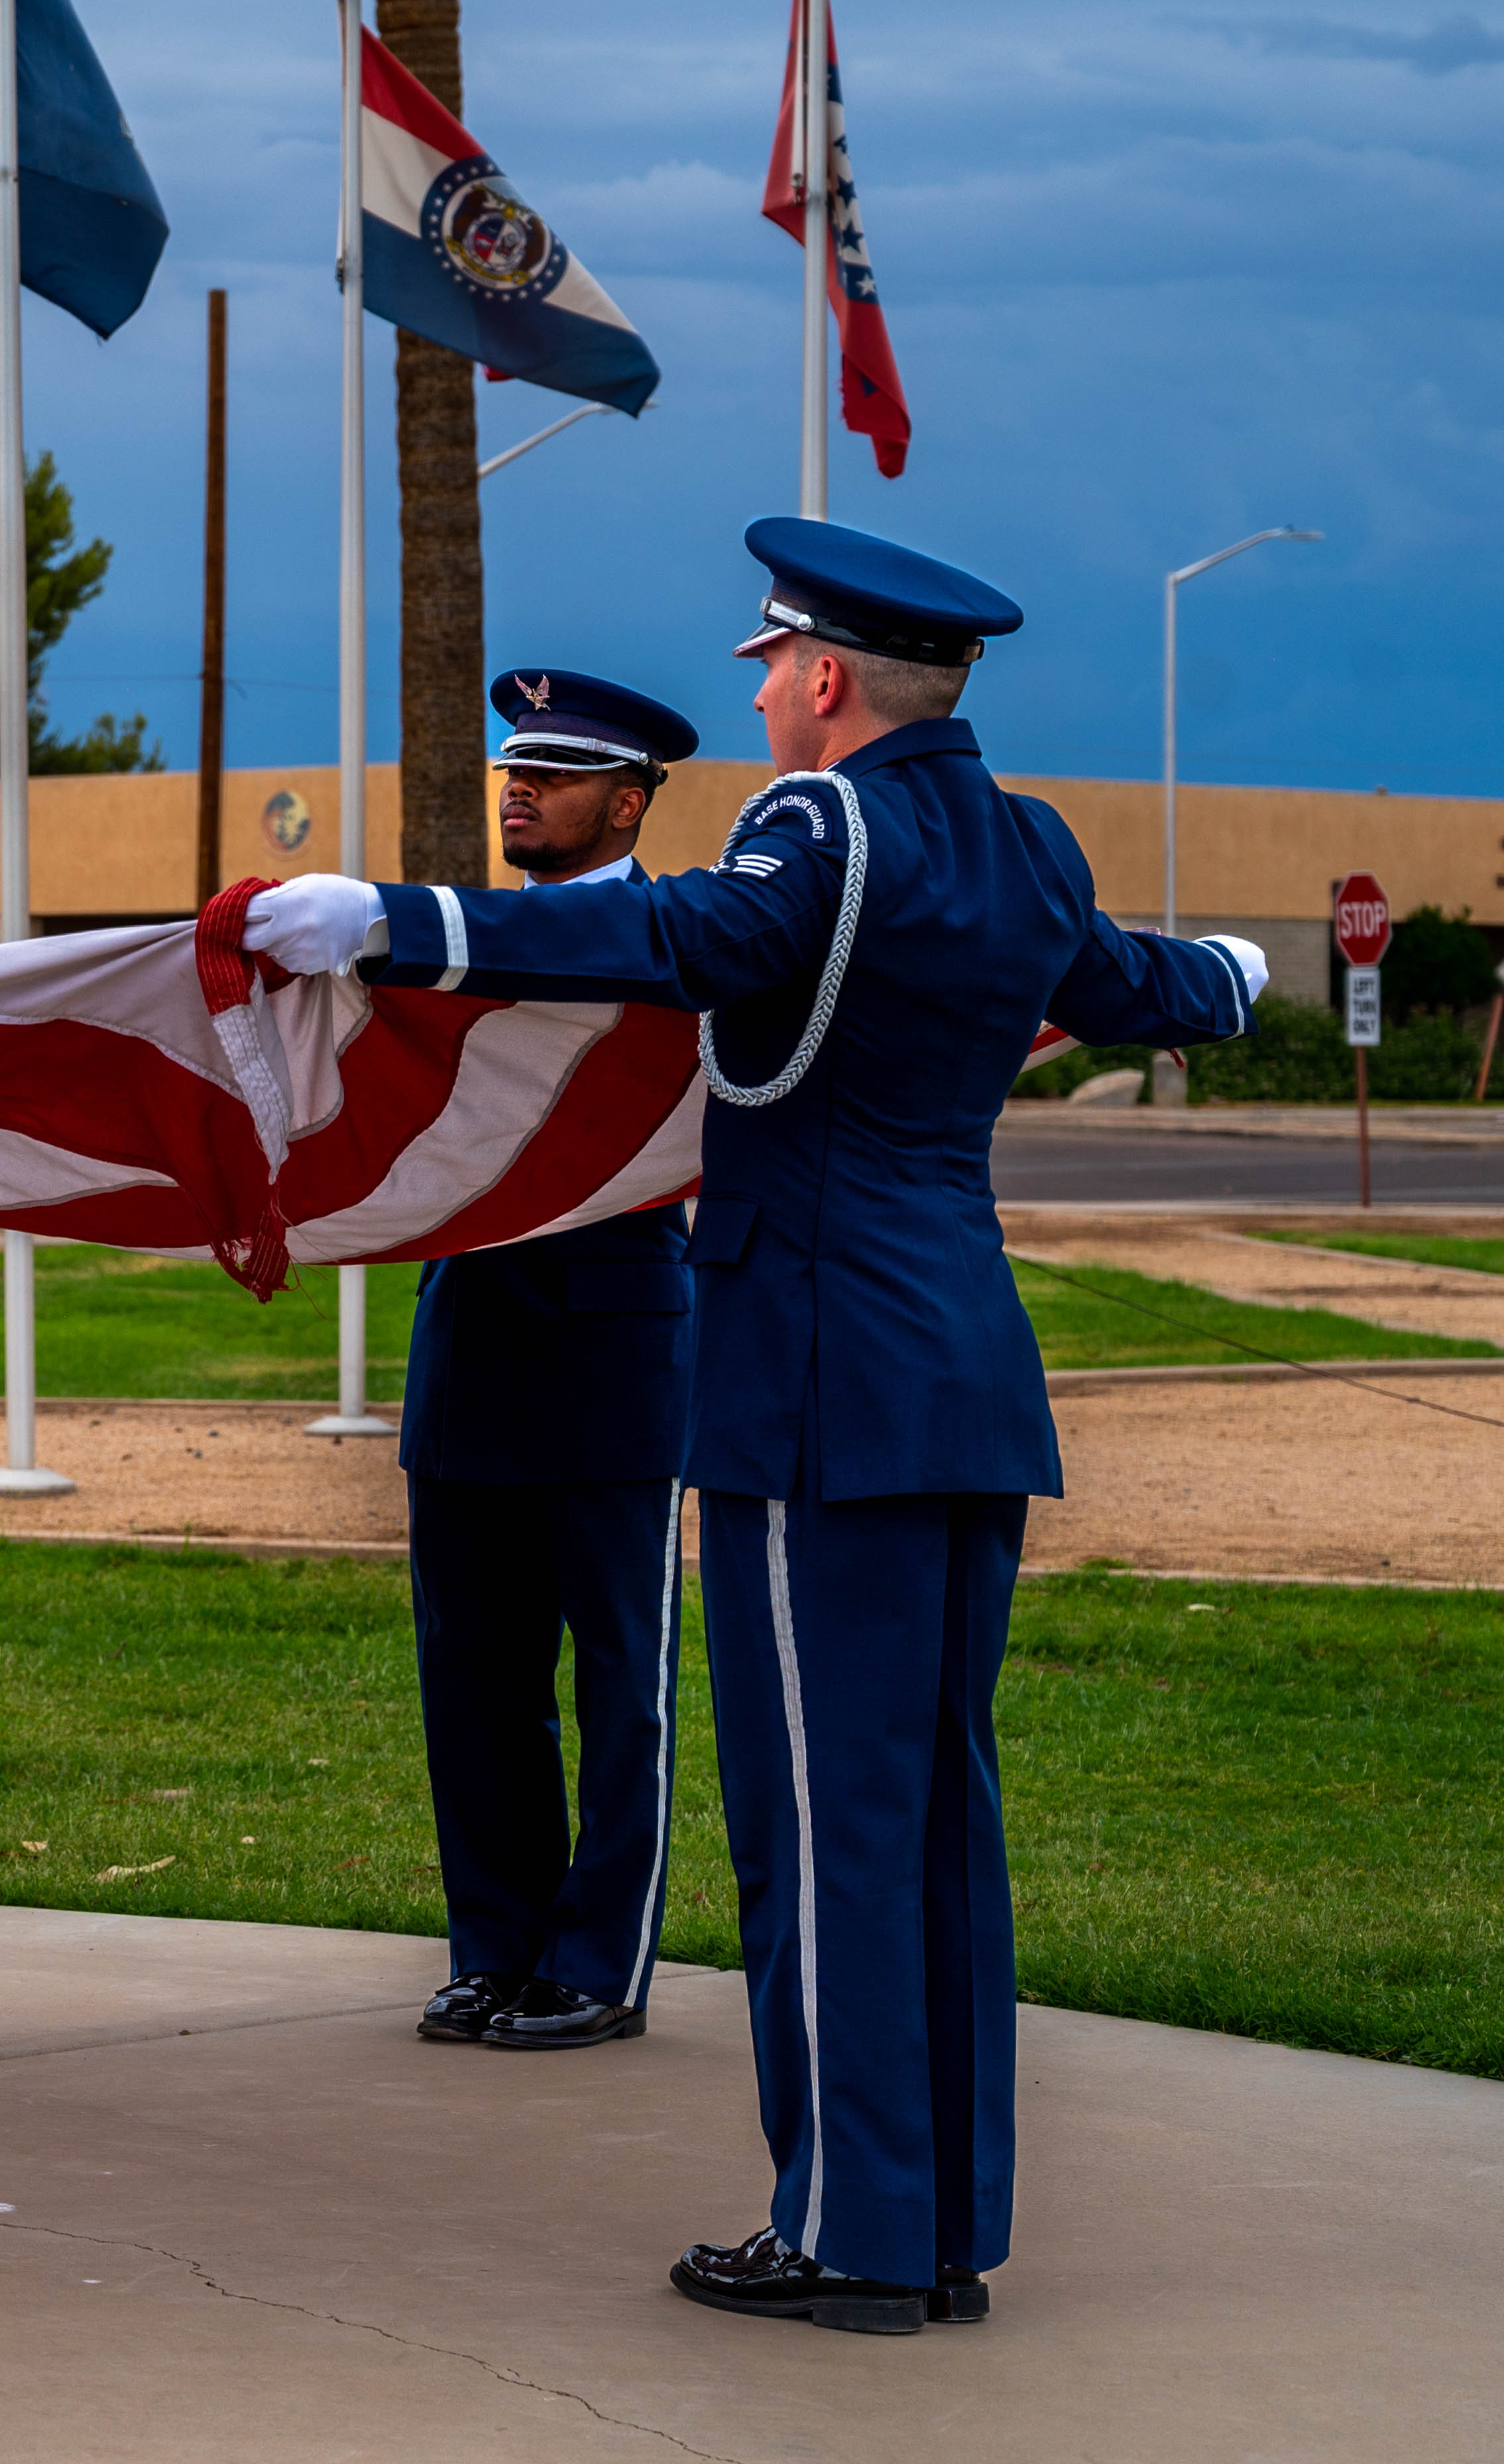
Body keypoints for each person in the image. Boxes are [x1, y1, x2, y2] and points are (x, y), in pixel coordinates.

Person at [245, 519, 1266, 2335]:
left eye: (770, 668)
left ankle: (850, 2233)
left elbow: (683, 931)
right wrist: (1237, 979)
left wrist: (406, 924)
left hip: (813, 1385)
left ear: (821, 680)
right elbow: (1132, 987)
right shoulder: (1022, 842)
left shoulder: (822, 826)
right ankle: (937, 2217)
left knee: (818, 1823)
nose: (762, 696)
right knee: (934, 1811)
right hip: (958, 1372)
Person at [402, 671, 699, 2058]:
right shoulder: (460, 948)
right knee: (475, 1679)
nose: (517, 790)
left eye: (556, 773)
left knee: (617, 1681)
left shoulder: (683, 934)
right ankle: (493, 1945)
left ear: (627, 801)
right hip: (472, 1337)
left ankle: (598, 1959)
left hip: (613, 1351)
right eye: (512, 769)